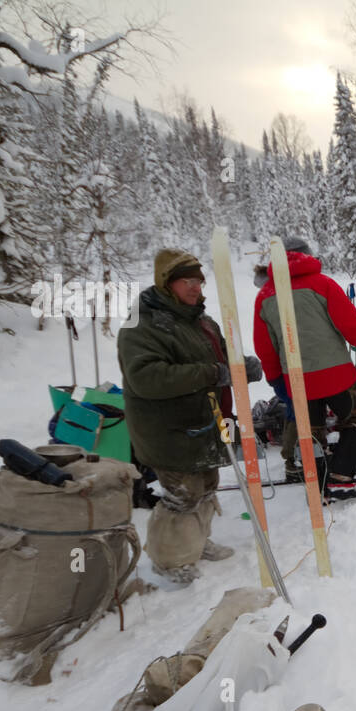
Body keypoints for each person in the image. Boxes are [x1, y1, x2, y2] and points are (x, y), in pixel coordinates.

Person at [118, 248, 263, 584]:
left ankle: (195, 542)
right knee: (183, 493)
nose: (196, 288)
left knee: (207, 486)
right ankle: (170, 559)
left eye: (198, 281)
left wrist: (241, 366)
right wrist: (212, 373)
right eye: (187, 281)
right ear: (167, 284)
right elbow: (146, 377)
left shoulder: (200, 320)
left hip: (204, 423)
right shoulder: (143, 324)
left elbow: (221, 356)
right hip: (168, 429)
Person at [254, 237, 356, 499]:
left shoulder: (265, 296)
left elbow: (264, 345)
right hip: (336, 373)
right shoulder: (322, 284)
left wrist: (275, 380)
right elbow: (350, 324)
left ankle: (318, 483)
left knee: (311, 431)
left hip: (296, 379)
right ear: (306, 256)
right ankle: (341, 478)